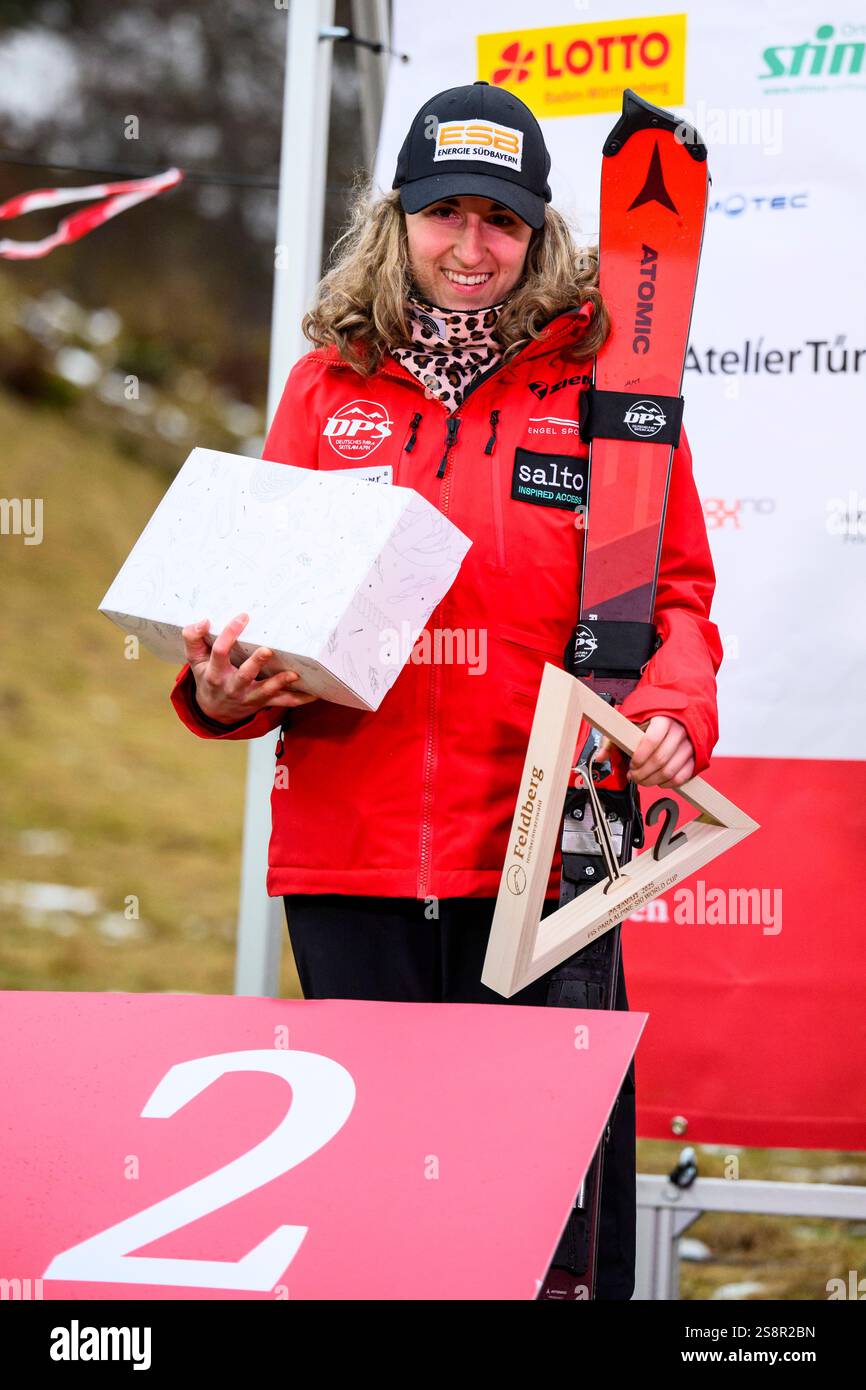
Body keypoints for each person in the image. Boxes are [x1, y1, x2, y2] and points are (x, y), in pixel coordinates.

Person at [170, 82, 722, 1300]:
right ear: (395, 219)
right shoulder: (328, 389)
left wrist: (674, 710)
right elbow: (257, 616)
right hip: (349, 859)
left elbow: (675, 596)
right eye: (443, 215)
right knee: (378, 1218)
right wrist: (218, 687)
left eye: (501, 221)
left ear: (539, 232)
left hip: (538, 860)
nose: (470, 249)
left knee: (535, 1224)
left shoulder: (603, 394)